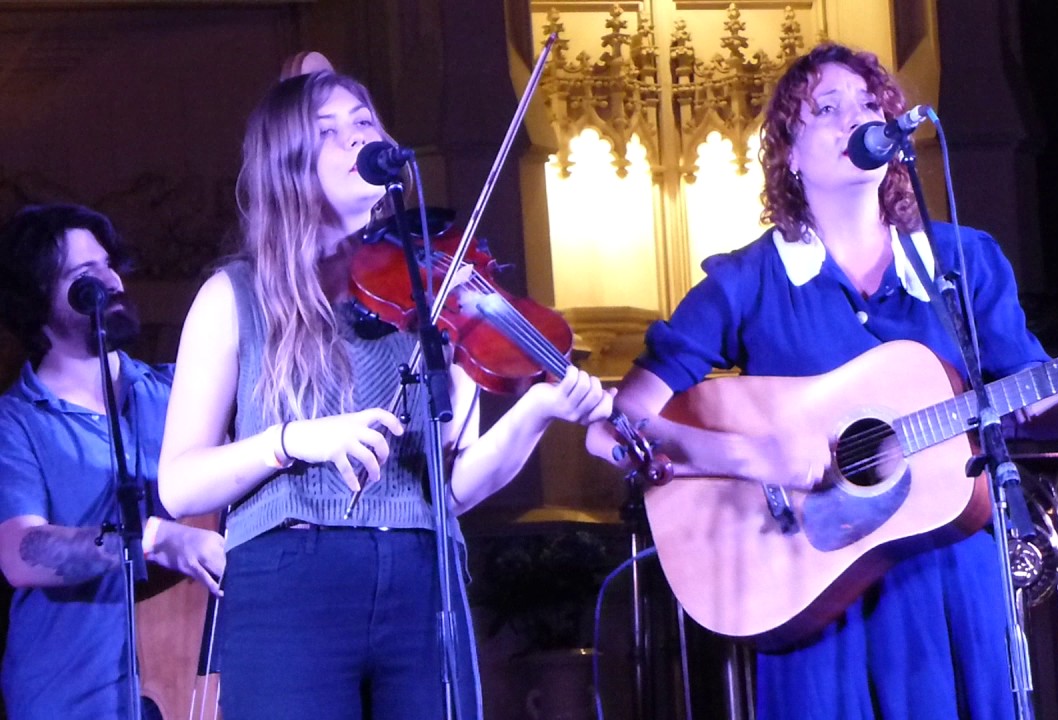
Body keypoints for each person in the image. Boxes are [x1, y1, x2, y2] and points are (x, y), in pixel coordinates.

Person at [587, 43, 1058, 719]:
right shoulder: (747, 281)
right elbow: (614, 428)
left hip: (951, 584)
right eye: (827, 108)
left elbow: (1032, 402)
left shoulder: (963, 261)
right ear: (789, 153)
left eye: (869, 104)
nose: (857, 117)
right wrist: (754, 455)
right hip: (815, 597)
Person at [156, 68, 613, 719]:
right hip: (292, 581)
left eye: (363, 122)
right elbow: (178, 485)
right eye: (327, 131)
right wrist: (293, 441)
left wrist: (538, 410)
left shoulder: (436, 295)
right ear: (286, 164)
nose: (355, 138)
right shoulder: (235, 296)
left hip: (423, 577)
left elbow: (452, 487)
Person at [0, 203, 227, 718]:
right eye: (85, 276)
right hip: (71, 694)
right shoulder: (16, 422)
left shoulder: (180, 391)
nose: (113, 282)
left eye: (109, 264)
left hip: (189, 686)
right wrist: (151, 539)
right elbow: (19, 551)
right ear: (37, 299)